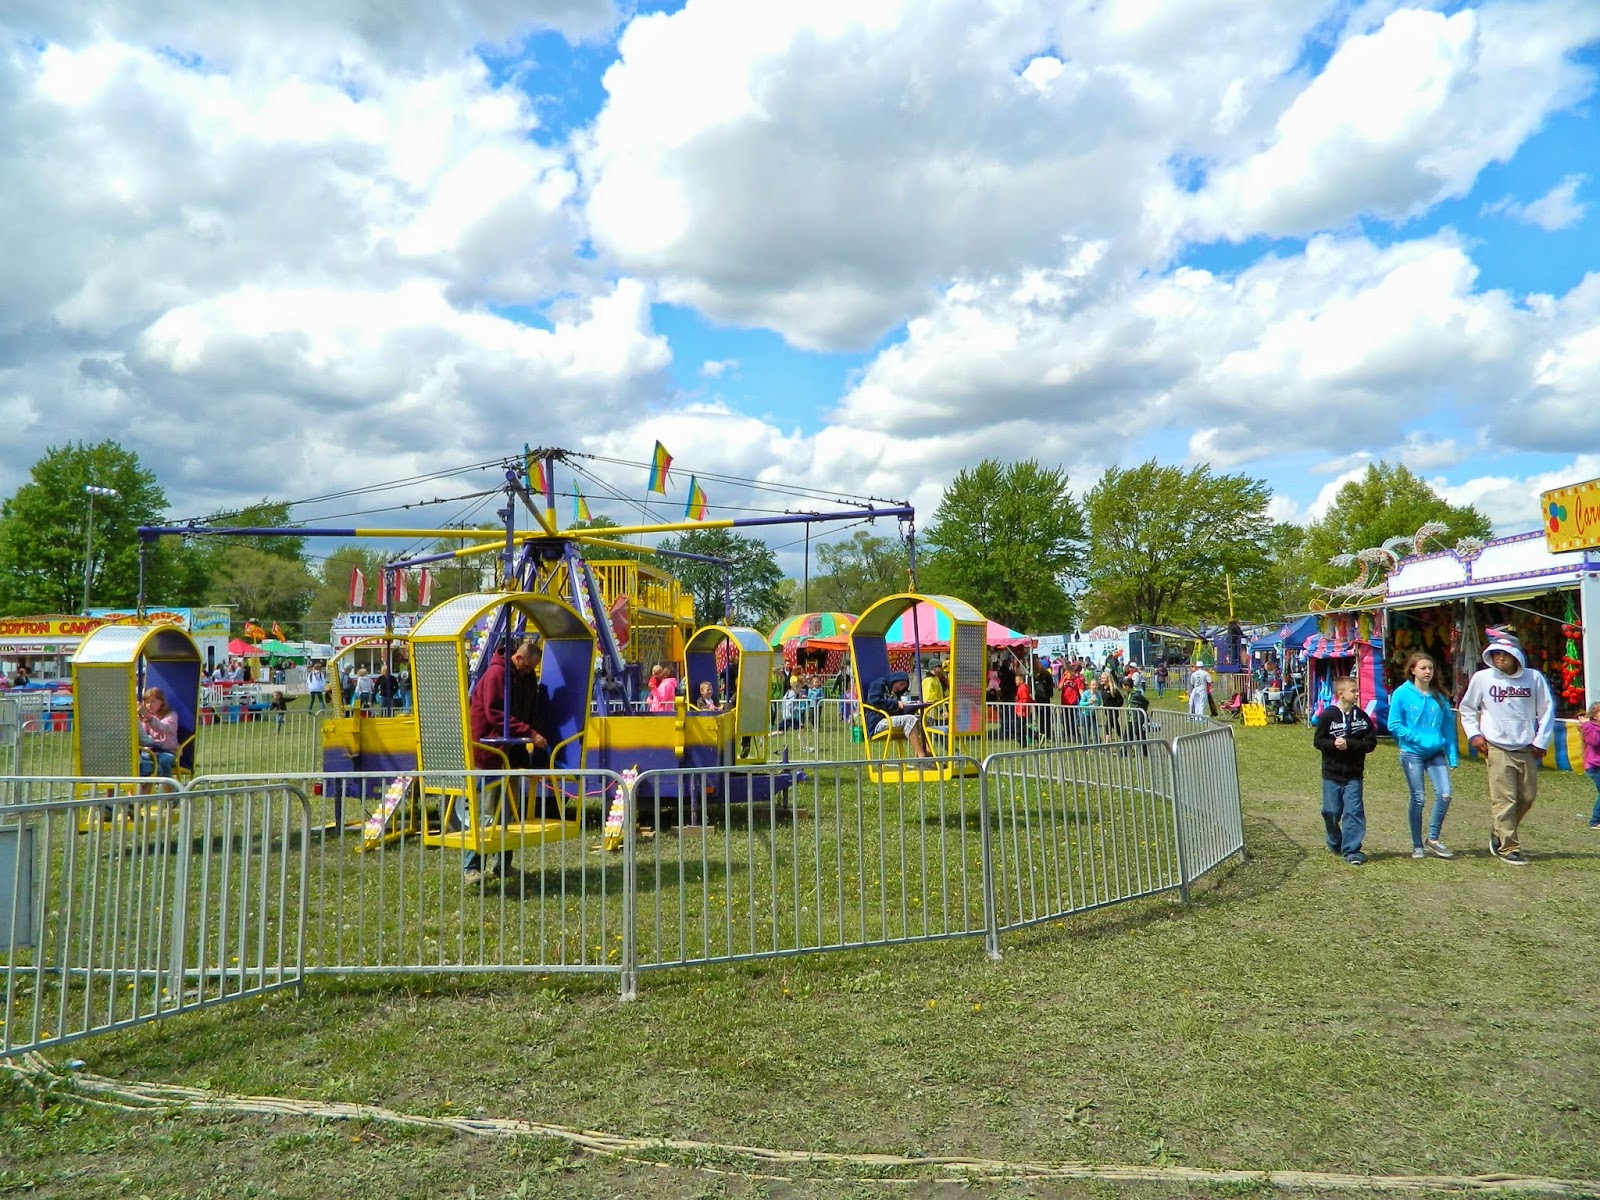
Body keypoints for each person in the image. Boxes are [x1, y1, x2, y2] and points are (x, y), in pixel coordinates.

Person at [1458, 634, 1554, 866]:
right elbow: (1468, 708)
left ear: (1516, 657)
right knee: (1505, 799)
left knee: (1527, 797)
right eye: (1495, 654)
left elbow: (1547, 709)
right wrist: (1474, 735)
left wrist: (1541, 741)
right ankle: (1508, 846)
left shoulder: (1533, 678)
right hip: (1496, 746)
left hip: (1525, 746)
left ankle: (1499, 831)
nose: (1500, 658)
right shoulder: (1482, 678)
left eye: (1505, 654)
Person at [461, 638, 550, 886]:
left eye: (533, 669)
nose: (530, 671)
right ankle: (472, 866)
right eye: (528, 667)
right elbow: (495, 713)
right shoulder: (495, 675)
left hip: (511, 751)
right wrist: (530, 733)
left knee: (509, 812)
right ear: (518, 658)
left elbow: (528, 708)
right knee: (488, 812)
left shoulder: (526, 677)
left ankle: (502, 865)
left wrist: (534, 731)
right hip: (489, 751)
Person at [1387, 652, 1458, 859]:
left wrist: (1452, 755)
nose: (1427, 672)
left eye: (1430, 668)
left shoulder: (1439, 696)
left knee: (1445, 794)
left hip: (1436, 752)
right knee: (1418, 798)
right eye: (1423, 668)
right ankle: (1417, 844)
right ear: (1413, 670)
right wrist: (1416, 738)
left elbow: (1448, 728)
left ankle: (1433, 838)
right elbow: (1394, 724)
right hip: (1412, 753)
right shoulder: (1402, 693)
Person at [1312, 675, 1378, 866]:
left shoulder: (1361, 717)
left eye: (1357, 690)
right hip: (1331, 774)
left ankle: (1352, 850)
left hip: (1354, 775)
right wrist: (1333, 744)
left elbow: (1370, 743)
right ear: (1341, 694)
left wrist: (1349, 744)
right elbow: (1318, 741)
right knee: (1331, 811)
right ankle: (1334, 840)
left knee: (1354, 811)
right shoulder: (1327, 716)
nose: (1357, 693)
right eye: (1353, 691)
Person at [864, 670, 929, 757]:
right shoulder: (878, 684)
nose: (901, 688)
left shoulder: (896, 693)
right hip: (877, 722)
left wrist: (913, 707)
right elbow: (874, 700)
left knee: (925, 719)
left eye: (903, 687)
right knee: (910, 720)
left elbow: (899, 713)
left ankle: (928, 753)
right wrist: (895, 703)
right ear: (895, 679)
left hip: (891, 720)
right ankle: (922, 758)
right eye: (901, 684)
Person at [137, 686, 179, 777]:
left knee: (164, 760)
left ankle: (169, 788)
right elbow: (143, 737)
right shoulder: (144, 719)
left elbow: (161, 727)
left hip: (168, 752)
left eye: (153, 701)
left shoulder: (171, 716)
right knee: (140, 763)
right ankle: (140, 789)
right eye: (147, 702)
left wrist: (148, 717)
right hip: (149, 752)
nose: (149, 705)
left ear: (162, 702)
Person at [1581, 703, 1600, 829]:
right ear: (1594, 716)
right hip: (1595, 767)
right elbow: (1594, 741)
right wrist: (1586, 726)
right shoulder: (1592, 728)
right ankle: (1595, 821)